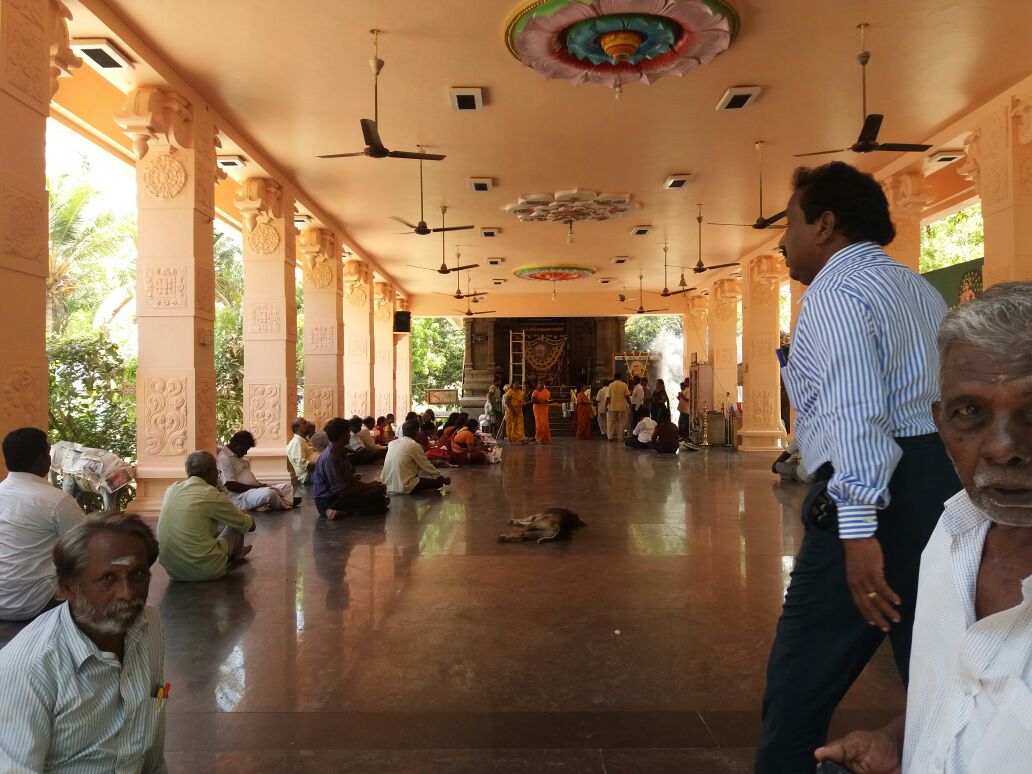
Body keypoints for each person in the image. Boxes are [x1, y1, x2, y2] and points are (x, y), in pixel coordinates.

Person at [755, 161, 962, 774]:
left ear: (824, 224)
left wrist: (858, 530)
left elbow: (857, 418)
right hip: (940, 486)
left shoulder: (835, 295)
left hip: (883, 493)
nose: (782, 240)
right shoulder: (915, 288)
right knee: (933, 672)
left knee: (798, 684)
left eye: (789, 223)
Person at [816, 282, 1032, 773]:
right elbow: (965, 692)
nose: (1002, 447)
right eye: (970, 413)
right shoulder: (952, 538)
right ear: (941, 424)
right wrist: (904, 740)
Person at [0, 512, 166, 771]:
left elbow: (151, 745)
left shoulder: (148, 625)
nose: (127, 593)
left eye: (137, 574)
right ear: (68, 588)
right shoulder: (28, 670)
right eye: (108, 578)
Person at [0, 428, 85, 621]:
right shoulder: (56, 501)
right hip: (33, 602)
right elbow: (86, 546)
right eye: (48, 452)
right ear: (41, 459)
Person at [157, 451, 255, 581]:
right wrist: (246, 517)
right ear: (210, 472)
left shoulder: (172, 489)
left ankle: (233, 551)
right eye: (217, 471)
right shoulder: (210, 493)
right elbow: (250, 526)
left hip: (173, 571)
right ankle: (236, 553)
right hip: (205, 569)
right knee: (239, 521)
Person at [310, 417, 389, 520]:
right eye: (348, 432)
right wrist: (369, 486)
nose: (350, 435)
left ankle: (371, 504)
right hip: (329, 501)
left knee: (378, 493)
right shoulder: (329, 458)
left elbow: (350, 482)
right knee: (379, 501)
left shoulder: (341, 452)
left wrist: (371, 485)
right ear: (343, 435)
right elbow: (343, 492)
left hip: (339, 495)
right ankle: (345, 512)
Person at [217, 431, 299, 511]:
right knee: (270, 493)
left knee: (286, 487)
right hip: (240, 497)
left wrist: (261, 485)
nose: (245, 452)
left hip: (253, 490)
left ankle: (275, 501)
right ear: (238, 445)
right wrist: (258, 488)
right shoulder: (224, 459)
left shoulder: (240, 458)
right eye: (245, 449)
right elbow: (231, 485)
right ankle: (283, 503)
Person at [381, 419, 451, 495]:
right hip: (404, 486)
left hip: (388, 484)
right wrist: (441, 478)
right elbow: (426, 466)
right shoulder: (415, 445)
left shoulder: (392, 443)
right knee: (438, 483)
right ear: (417, 432)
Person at [286, 417, 321, 485]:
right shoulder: (296, 443)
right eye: (304, 423)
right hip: (308, 476)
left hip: (315, 470)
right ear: (297, 428)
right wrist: (323, 462)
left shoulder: (305, 440)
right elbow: (304, 465)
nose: (308, 423)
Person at [604, 373, 631, 441]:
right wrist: (629, 403)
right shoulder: (624, 385)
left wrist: (605, 406)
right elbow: (627, 396)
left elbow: (608, 397)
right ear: (620, 377)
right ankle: (620, 437)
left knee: (611, 422)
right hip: (622, 407)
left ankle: (610, 437)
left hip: (612, 407)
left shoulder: (611, 385)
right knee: (621, 422)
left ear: (614, 377)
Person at [531, 380, 552, 444]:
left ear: (544, 384)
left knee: (545, 423)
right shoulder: (535, 391)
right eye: (539, 383)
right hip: (537, 409)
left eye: (542, 383)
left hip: (545, 408)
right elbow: (532, 401)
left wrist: (549, 401)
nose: (541, 385)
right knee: (539, 424)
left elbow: (550, 399)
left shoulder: (547, 391)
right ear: (537, 385)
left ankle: (545, 438)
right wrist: (541, 401)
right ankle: (540, 439)